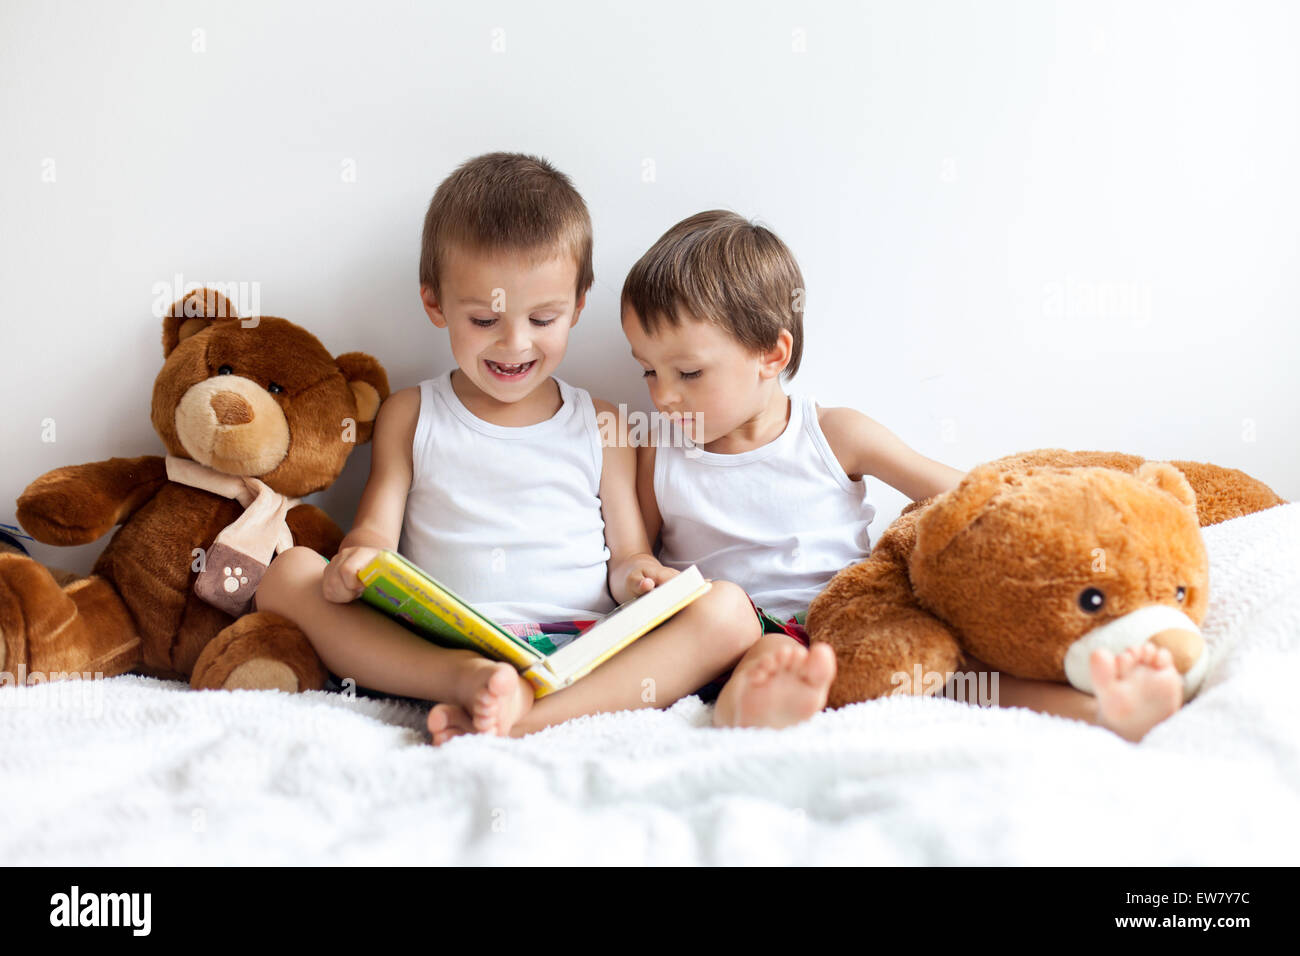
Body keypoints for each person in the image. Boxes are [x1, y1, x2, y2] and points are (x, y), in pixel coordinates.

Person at [620, 210, 1185, 740]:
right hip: (740, 635)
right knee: (772, 658)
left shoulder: (835, 435)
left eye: (688, 372)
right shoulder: (659, 453)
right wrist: (651, 581)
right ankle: (753, 717)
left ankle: (1102, 710)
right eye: (647, 370)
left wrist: (1057, 508)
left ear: (771, 354)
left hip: (852, 621)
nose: (663, 395)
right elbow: (637, 560)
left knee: (953, 667)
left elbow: (963, 493)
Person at [253, 155, 759, 744]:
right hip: (443, 638)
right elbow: (374, 532)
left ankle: (523, 714)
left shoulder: (602, 424)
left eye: (543, 318)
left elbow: (626, 558)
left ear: (578, 304)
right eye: (485, 319)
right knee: (288, 571)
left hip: (578, 646)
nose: (515, 343)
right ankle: (465, 681)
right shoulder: (412, 413)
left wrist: (643, 578)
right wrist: (358, 562)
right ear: (436, 304)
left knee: (730, 611)